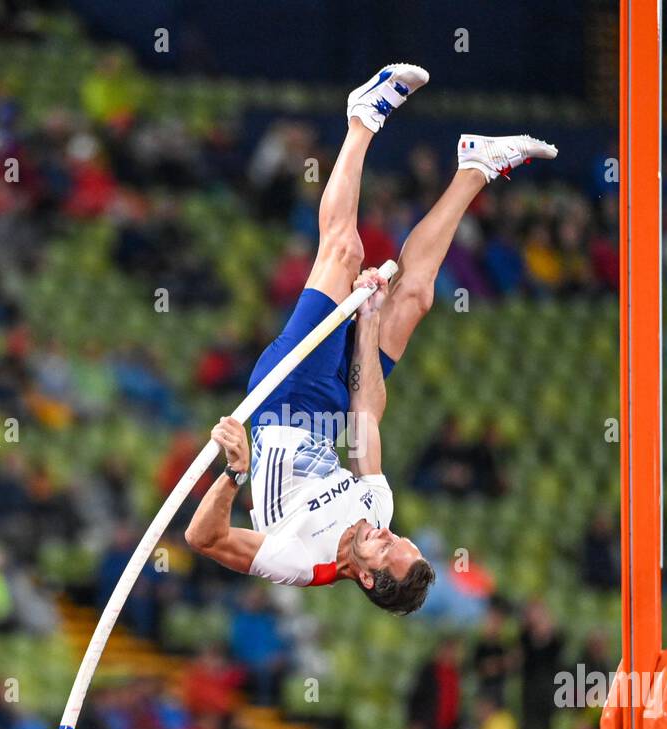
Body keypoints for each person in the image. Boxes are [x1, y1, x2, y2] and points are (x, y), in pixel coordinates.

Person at [186, 63, 557, 615]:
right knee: (413, 299)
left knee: (344, 252)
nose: (382, 531)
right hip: (335, 410)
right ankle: (475, 169)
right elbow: (364, 417)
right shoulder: (376, 509)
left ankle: (362, 116)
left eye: (385, 546)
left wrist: (235, 473)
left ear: (365, 577)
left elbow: (204, 540)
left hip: (283, 401)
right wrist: (370, 319)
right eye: (396, 536)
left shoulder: (299, 561)